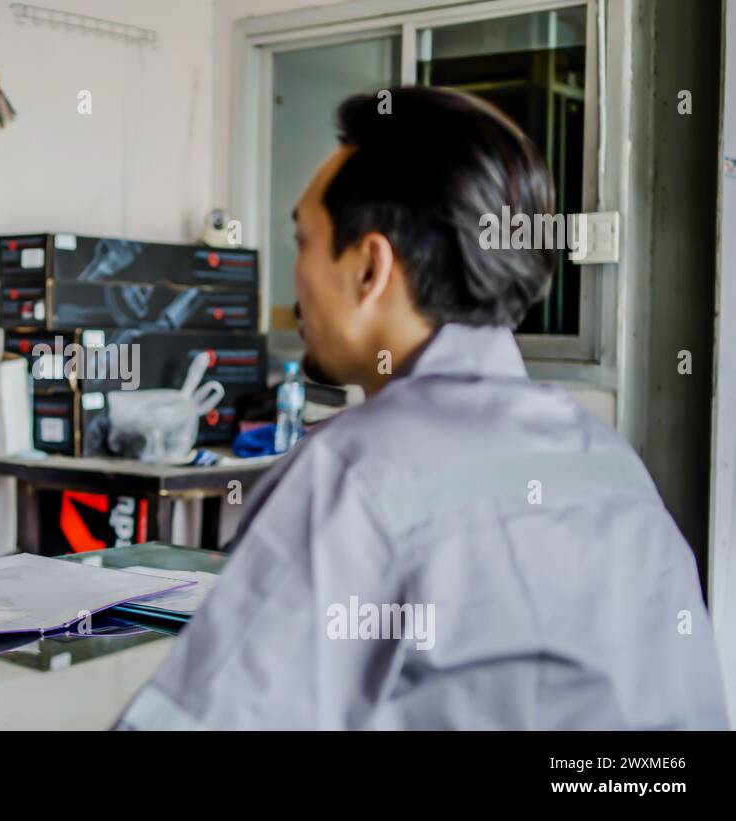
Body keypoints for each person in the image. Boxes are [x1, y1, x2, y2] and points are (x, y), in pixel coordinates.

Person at [117, 88, 728, 729]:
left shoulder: (354, 474)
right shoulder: (610, 462)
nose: (294, 277)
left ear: (369, 268)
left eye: (303, 242)